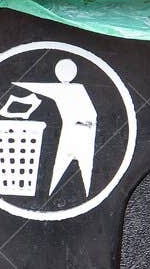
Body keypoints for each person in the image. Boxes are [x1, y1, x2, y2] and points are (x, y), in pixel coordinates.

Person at [12, 58, 96, 196]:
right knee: (67, 167)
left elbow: (44, 88)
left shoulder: (70, 89)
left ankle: (82, 193)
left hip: (80, 131)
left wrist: (18, 84)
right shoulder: (77, 88)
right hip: (80, 129)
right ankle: (56, 193)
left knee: (75, 167)